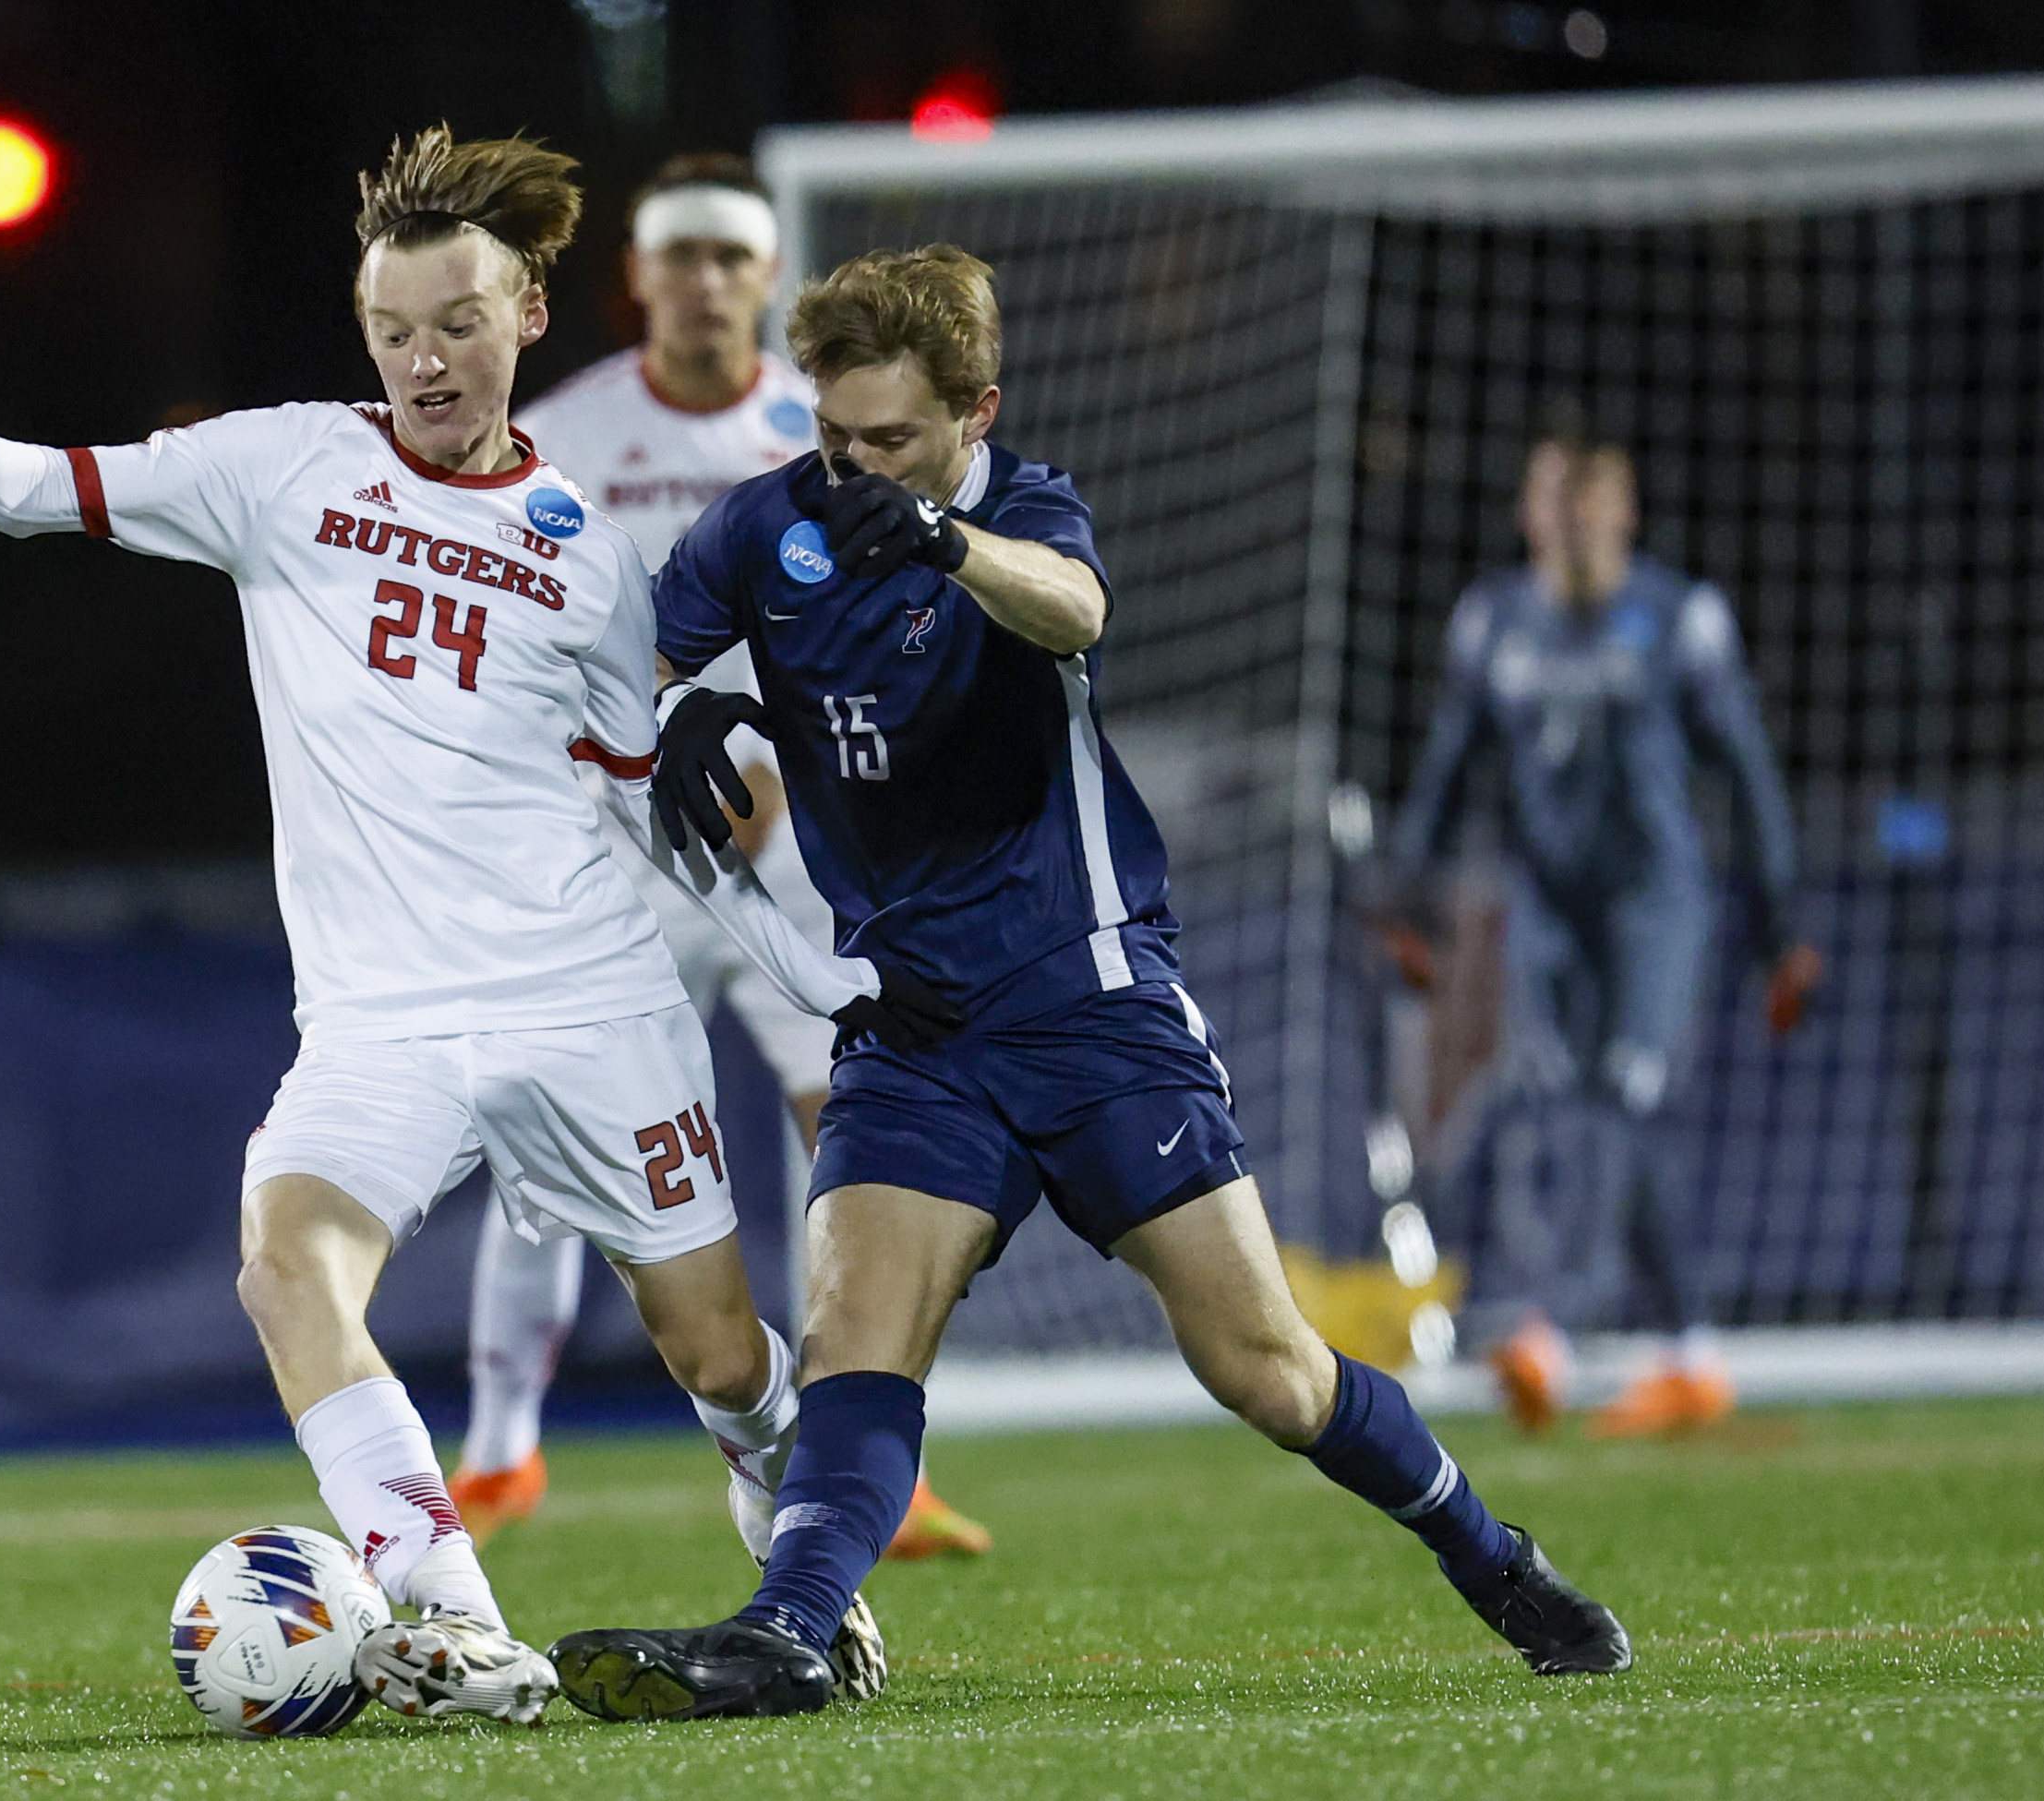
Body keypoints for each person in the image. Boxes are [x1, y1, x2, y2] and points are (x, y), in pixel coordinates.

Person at [0, 126, 944, 1727]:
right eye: (395, 329)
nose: (425, 360)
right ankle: (455, 1621)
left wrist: (825, 977)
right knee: (287, 1272)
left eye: (458, 324)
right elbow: (41, 491)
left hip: (582, 999)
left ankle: (808, 1565)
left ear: (531, 317)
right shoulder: (280, 467)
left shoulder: (582, 559)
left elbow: (663, 824)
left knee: (714, 1353)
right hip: (379, 1021)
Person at [547, 246, 1633, 1723]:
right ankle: (791, 1628)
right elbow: (641, 665)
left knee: (1268, 1370)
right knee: (852, 1338)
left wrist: (936, 538)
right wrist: (677, 713)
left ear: (974, 410)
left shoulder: (1024, 510)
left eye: (893, 440)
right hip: (911, 1021)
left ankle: (1491, 1554)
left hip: (1091, 1000)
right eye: (833, 436)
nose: (852, 467)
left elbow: (1073, 609)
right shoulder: (761, 528)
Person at [449, 151, 991, 1563]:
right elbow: (523, 637)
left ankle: (873, 1453)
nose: (705, 284)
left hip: (797, 847)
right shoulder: (562, 430)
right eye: (679, 257)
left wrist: (777, 767)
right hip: (614, 852)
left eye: (730, 259)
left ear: (767, 277)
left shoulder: (823, 440)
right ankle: (501, 1443)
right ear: (639, 277)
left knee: (860, 1133)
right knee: (558, 1125)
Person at [1389, 425, 1822, 1438]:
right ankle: (1689, 1353)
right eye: (1556, 502)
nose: (1575, 522)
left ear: (1624, 513)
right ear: (1528, 513)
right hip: (1545, 909)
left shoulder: (1681, 619)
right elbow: (1451, 768)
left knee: (1621, 1097)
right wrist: (1412, 907)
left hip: (1656, 904)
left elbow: (1747, 772)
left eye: (1593, 504)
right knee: (1563, 1104)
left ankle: (1553, 1328)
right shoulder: (1493, 623)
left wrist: (1780, 930)